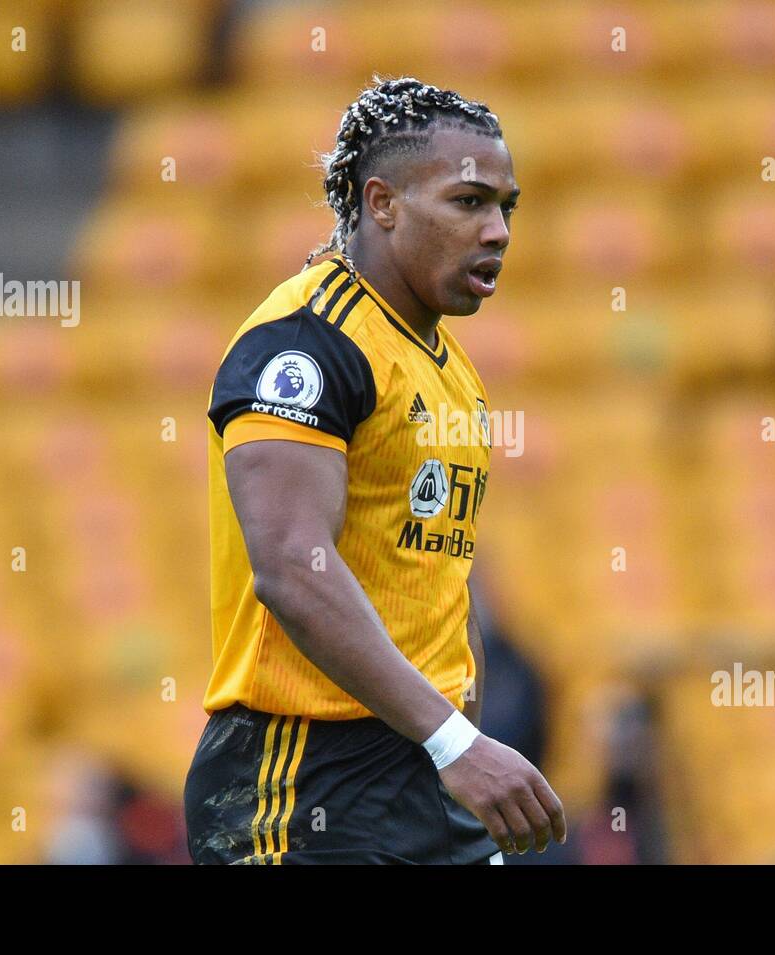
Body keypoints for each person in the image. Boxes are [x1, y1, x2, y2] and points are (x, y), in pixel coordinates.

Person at [184, 76, 565, 864]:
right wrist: (458, 740)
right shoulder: (304, 347)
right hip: (305, 779)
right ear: (383, 202)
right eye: (468, 202)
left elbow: (437, 581)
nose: (497, 230)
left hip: (423, 770)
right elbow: (293, 568)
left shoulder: (449, 367)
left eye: (507, 207)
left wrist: (462, 734)